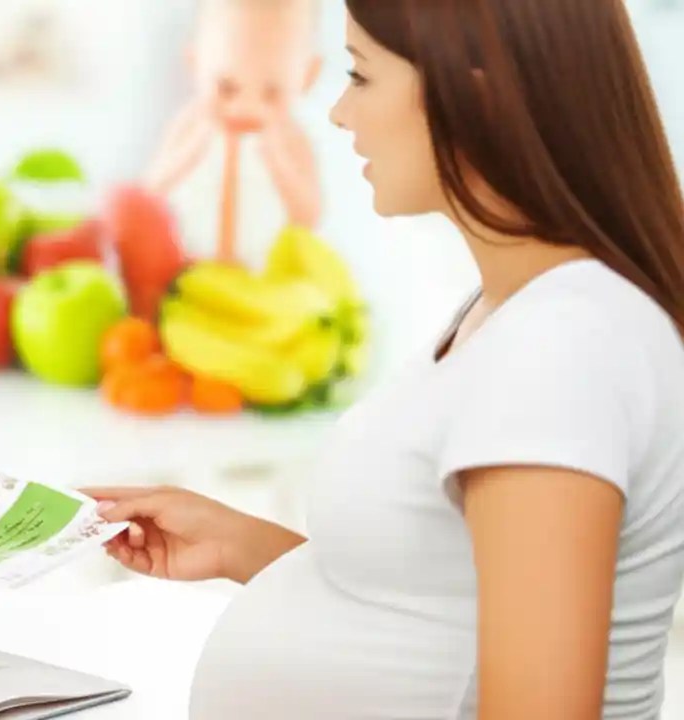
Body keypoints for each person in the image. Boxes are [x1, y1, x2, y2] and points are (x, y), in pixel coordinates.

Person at [91, 1, 684, 718]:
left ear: (477, 92)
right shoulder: (516, 312)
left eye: (360, 75)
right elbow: (439, 608)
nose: (339, 113)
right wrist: (238, 544)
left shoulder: (561, 349)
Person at [144, 0, 322, 268]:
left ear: (307, 77)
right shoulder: (191, 124)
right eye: (225, 88)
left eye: (272, 94)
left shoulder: (290, 139)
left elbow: (308, 216)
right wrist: (191, 150)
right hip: (184, 266)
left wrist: (278, 161)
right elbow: (150, 192)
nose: (245, 108)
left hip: (262, 277)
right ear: (194, 64)